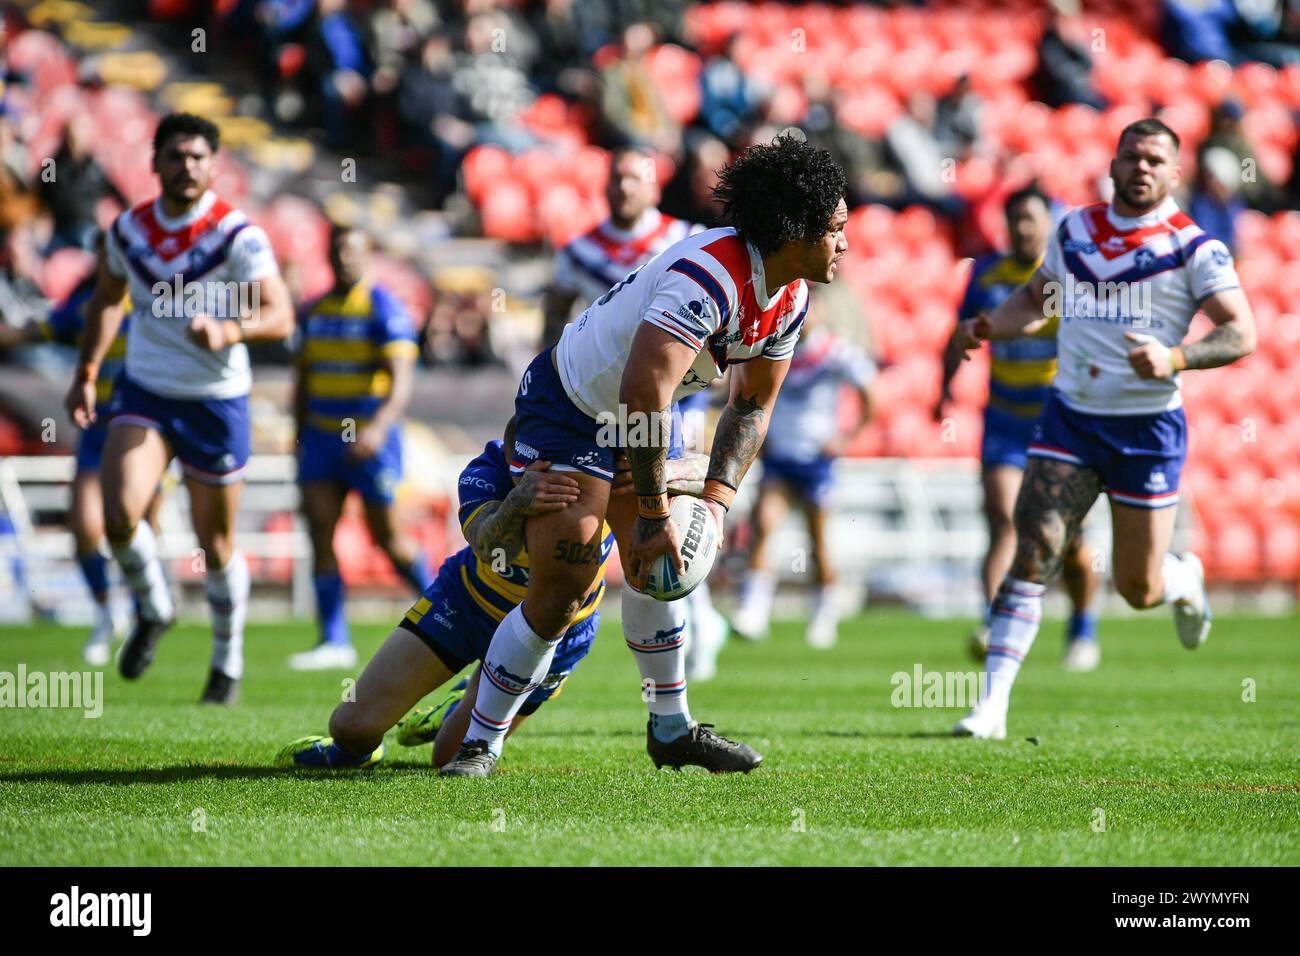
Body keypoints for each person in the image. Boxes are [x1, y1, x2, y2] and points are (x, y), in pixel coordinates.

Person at [436, 133, 848, 778]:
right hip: (571, 409)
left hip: (635, 416)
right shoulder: (708, 275)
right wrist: (656, 509)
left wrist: (714, 500)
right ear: (796, 229)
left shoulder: (790, 297)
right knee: (565, 587)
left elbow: (750, 406)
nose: (845, 243)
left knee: (658, 566)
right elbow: (643, 393)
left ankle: (670, 727)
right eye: (836, 228)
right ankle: (477, 745)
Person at [951, 118, 1255, 738]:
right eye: (1131, 157)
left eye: (1154, 160)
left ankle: (1182, 578)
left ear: (1174, 173)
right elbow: (1040, 302)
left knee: (1137, 587)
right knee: (1033, 546)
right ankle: (991, 707)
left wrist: (1176, 358)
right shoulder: (1076, 229)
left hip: (1147, 428)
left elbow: (1240, 332)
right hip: (1071, 417)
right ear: (1113, 165)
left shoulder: (1195, 247)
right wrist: (986, 326)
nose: (1141, 168)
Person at [276, 421, 712, 769]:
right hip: (467, 603)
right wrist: (516, 504)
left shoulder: (602, 465)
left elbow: (707, 468)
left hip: (556, 632)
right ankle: (352, 752)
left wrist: (669, 473)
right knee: (350, 727)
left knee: (447, 757)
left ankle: (464, 702)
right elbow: (487, 543)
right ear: (512, 453)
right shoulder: (484, 471)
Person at [64, 112, 294, 704]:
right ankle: (155, 606)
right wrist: (87, 372)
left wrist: (228, 330)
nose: (186, 166)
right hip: (145, 390)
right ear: (154, 164)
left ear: (213, 165)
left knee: (214, 544)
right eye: (175, 156)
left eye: (197, 157)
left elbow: (280, 315)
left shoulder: (237, 235)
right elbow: (107, 300)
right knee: (119, 517)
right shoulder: (127, 231)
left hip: (216, 401)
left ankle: (226, 662)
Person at [938, 185, 1101, 671]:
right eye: (1015, 220)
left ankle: (1082, 624)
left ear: (1048, 222)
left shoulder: (1068, 275)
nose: (1023, 228)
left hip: (1060, 420)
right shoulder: (987, 274)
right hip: (1005, 418)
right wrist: (943, 388)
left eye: (1031, 218)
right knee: (1002, 517)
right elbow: (958, 332)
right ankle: (995, 623)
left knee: (1067, 537)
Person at [0, 261, 161, 665]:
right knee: (87, 526)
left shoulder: (162, 304)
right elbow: (34, 330)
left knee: (140, 529)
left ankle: (147, 611)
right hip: (99, 432)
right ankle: (107, 611)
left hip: (149, 435)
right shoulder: (89, 306)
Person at [287, 226, 430, 670]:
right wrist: (298, 436)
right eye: (337, 250)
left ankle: (446, 614)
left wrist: (376, 429)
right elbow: (303, 381)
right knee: (319, 533)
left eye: (353, 251)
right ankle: (333, 639)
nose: (344, 258)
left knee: (389, 539)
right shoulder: (313, 311)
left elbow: (401, 380)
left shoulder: (383, 307)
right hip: (321, 440)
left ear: (368, 255)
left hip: (372, 443)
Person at [731, 311, 876, 651]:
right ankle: (754, 611)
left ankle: (823, 615)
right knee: (764, 526)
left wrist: (845, 437)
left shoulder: (836, 352)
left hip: (816, 461)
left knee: (817, 541)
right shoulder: (776, 346)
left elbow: (872, 394)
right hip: (780, 458)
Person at [541, 146, 695, 347]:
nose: (624, 187)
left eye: (635, 179)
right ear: (604, 187)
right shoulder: (577, 252)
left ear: (654, 190)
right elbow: (554, 321)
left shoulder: (687, 240)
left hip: (674, 368)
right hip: (604, 370)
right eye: (617, 178)